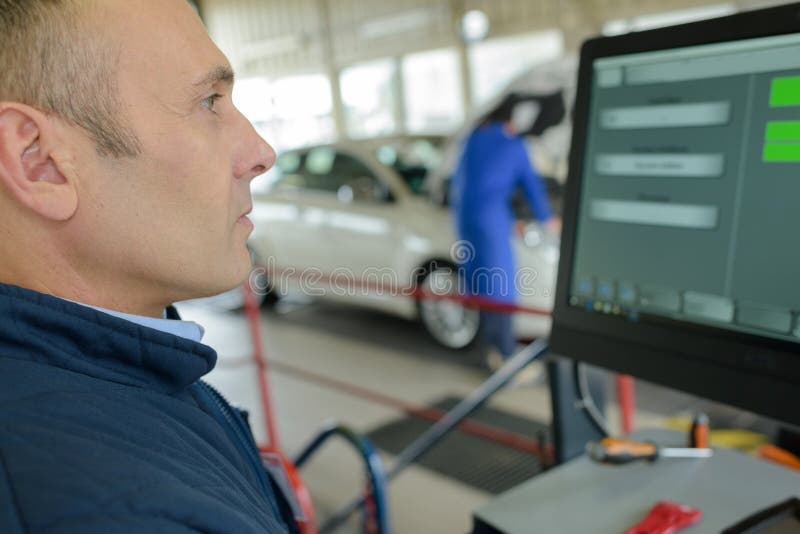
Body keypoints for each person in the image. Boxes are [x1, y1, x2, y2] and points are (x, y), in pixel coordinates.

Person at [0, 1, 297, 532]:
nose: (261, 151)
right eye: (209, 101)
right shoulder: (121, 512)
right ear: (39, 161)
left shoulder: (128, 365)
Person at [450, 100, 558, 371]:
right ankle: (506, 357)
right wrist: (549, 219)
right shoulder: (513, 145)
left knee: (478, 284)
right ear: (513, 122)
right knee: (499, 288)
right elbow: (532, 186)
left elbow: (470, 181)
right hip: (491, 221)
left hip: (464, 218)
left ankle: (488, 350)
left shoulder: (474, 138)